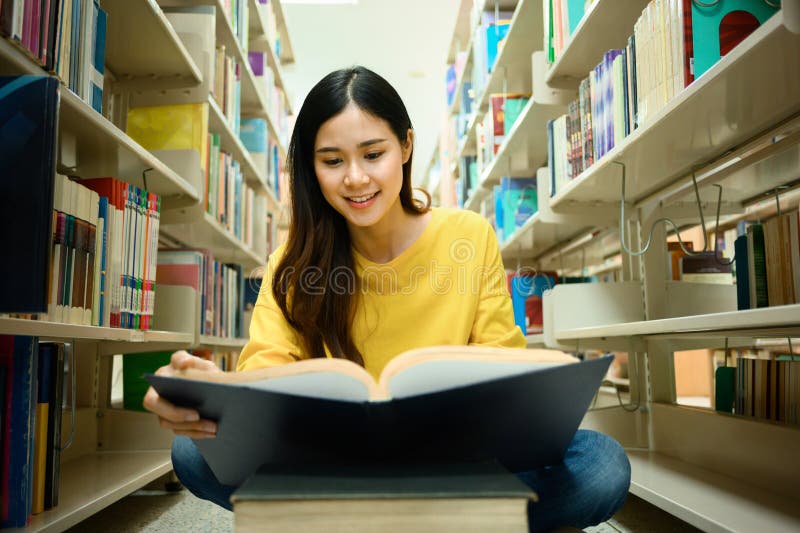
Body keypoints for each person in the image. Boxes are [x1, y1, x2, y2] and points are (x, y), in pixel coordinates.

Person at [143, 66, 631, 531]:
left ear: (405, 146)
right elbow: (261, 376)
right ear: (312, 169)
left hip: (453, 466)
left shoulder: (467, 235)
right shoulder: (291, 266)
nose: (355, 178)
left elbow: (502, 360)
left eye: (372, 154)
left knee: (602, 464)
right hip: (331, 468)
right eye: (332, 161)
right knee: (190, 453)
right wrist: (204, 395)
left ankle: (365, 523)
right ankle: (437, 524)